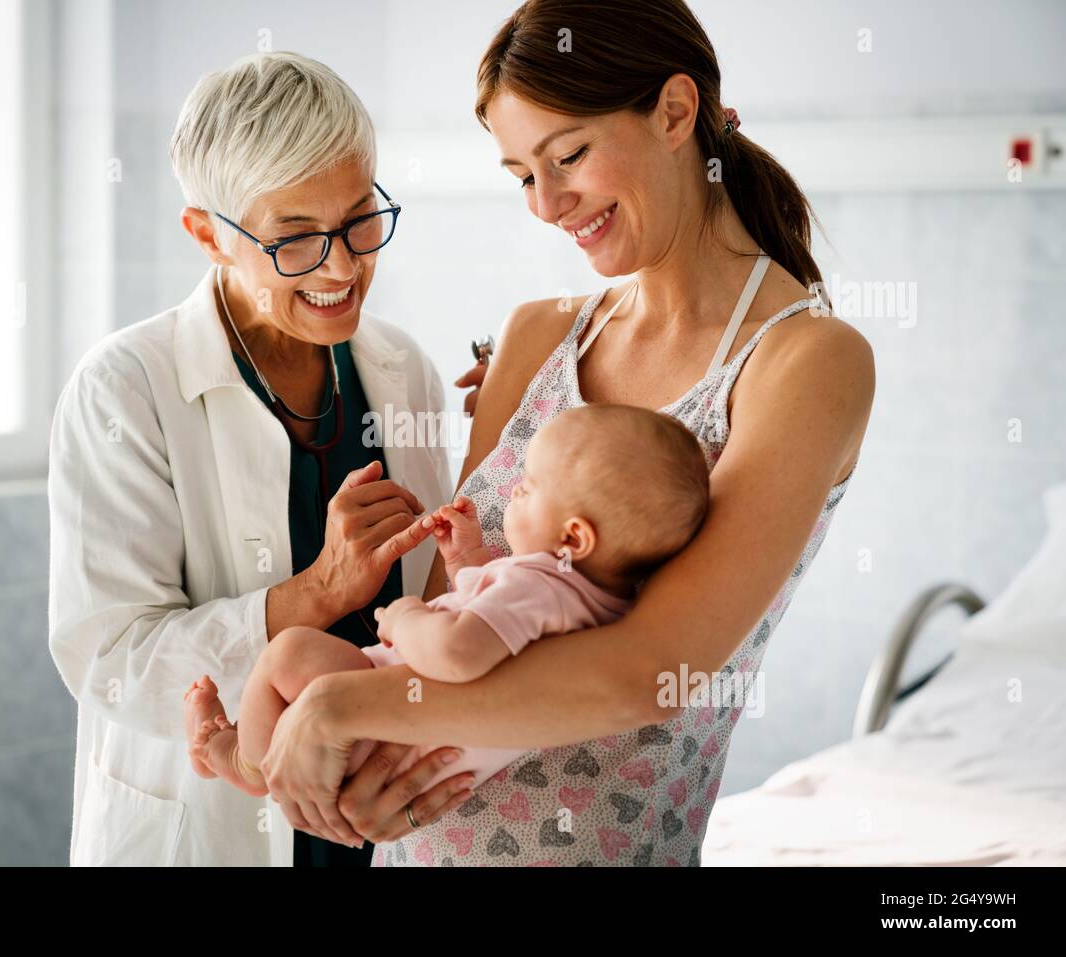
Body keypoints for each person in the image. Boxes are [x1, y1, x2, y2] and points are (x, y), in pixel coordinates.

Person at [255, 0, 875, 866]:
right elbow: (447, 614)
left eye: (569, 155)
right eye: (520, 175)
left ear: (675, 111)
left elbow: (651, 671)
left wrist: (342, 708)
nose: (546, 205)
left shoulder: (804, 362)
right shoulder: (537, 336)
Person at [47, 51, 466, 866]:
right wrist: (312, 594)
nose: (342, 267)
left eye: (357, 220)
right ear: (208, 234)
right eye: (296, 240)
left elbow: (438, 608)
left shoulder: (401, 368)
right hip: (206, 834)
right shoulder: (124, 390)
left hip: (378, 810)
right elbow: (110, 660)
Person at [184, 405, 708, 800]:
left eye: (527, 487)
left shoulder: (541, 582)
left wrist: (406, 616)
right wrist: (467, 561)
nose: (513, 494)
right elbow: (493, 628)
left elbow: (459, 653)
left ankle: (244, 761)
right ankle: (243, 748)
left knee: (289, 653)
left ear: (572, 539)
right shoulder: (592, 601)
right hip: (415, 745)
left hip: (381, 719)